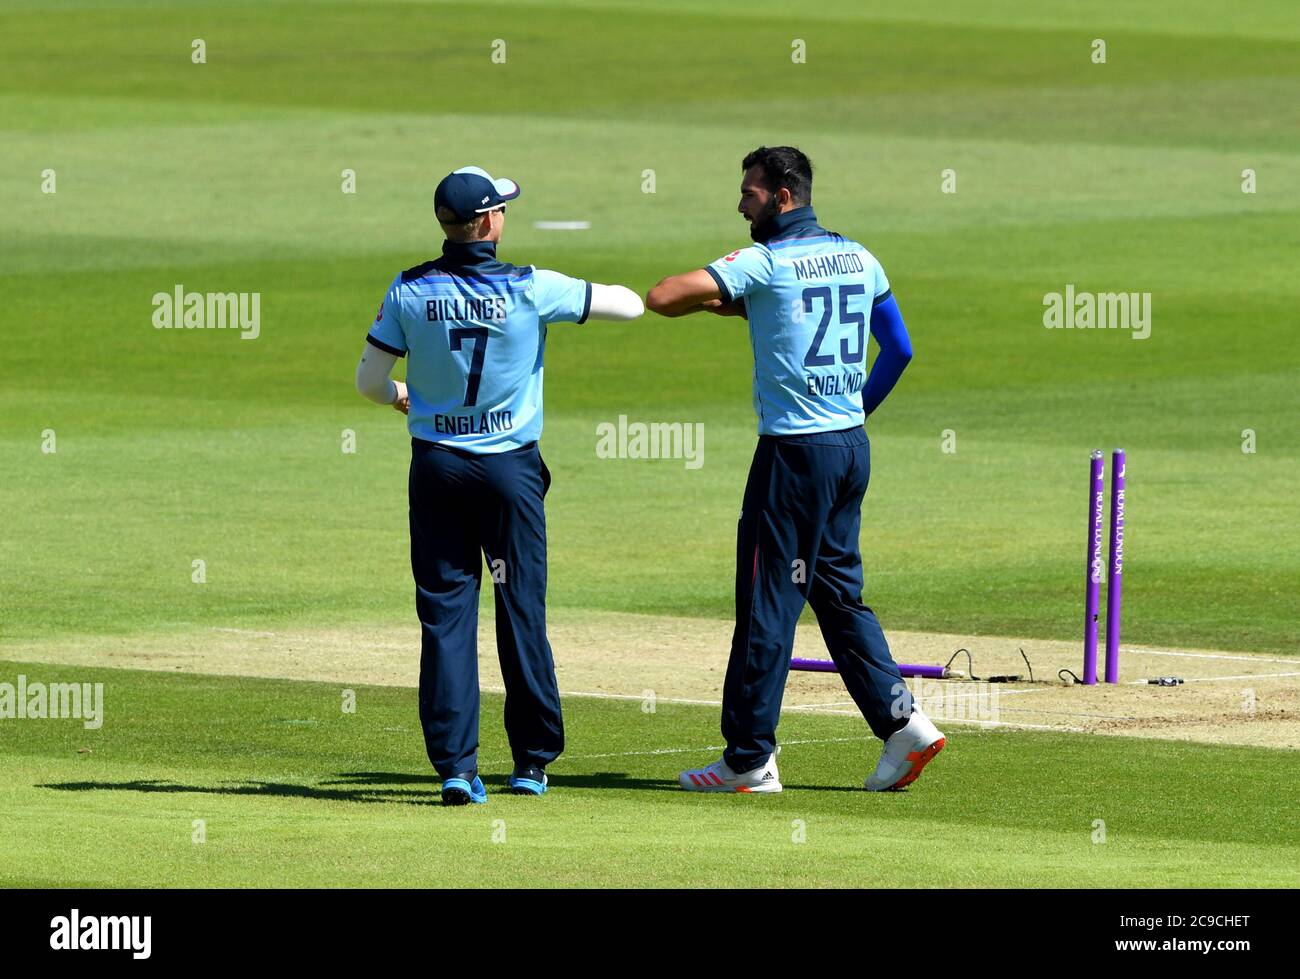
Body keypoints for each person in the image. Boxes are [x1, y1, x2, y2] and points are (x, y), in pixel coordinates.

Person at [645, 146, 943, 794]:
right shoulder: (859, 257)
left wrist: (724, 287)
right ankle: (904, 726)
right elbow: (900, 347)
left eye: (749, 193)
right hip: (848, 448)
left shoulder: (765, 261)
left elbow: (663, 296)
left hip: (791, 457)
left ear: (782, 196)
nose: (740, 203)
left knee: (766, 603)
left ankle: (749, 759)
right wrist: (853, 408)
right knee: (837, 595)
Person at [356, 166, 643, 805]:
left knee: (445, 615)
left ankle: (456, 767)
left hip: (437, 469)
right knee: (521, 610)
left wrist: (407, 394)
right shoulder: (531, 287)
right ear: (487, 222)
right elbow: (630, 303)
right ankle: (532, 762)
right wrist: (576, 295)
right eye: (503, 209)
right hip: (509, 473)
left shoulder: (409, 289)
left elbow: (368, 383)